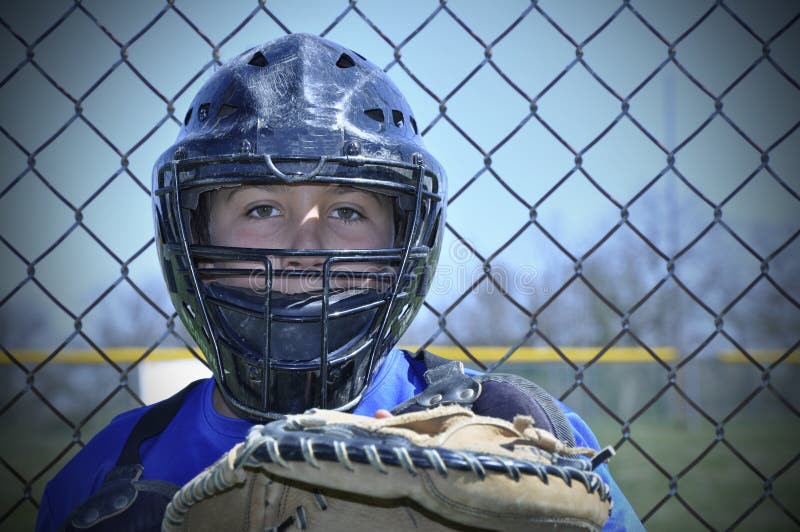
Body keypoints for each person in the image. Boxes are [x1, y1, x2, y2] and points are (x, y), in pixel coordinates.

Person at [36, 33, 643, 531]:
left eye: (347, 212)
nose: (305, 248)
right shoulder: (107, 477)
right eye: (261, 209)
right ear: (192, 233)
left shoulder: (519, 433)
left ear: (401, 240)